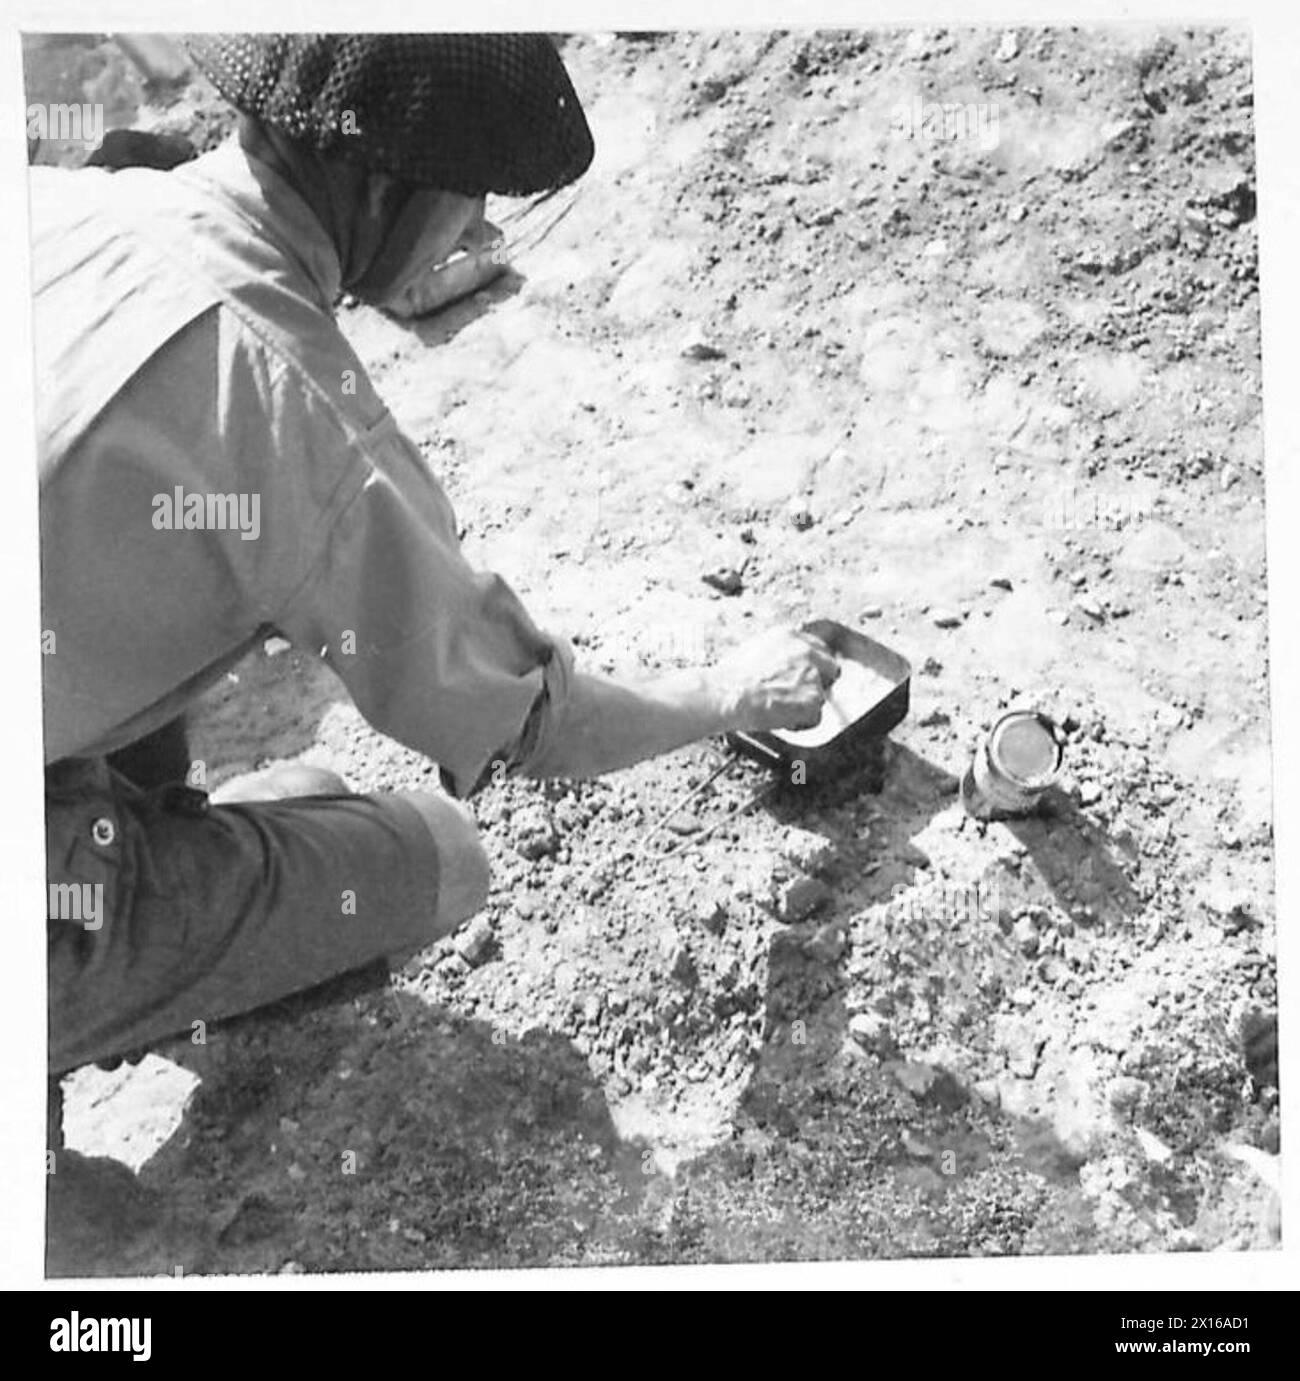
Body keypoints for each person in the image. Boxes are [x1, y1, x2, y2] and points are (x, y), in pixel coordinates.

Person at [37, 33, 838, 1113]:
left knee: (293, 771)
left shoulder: (62, 208)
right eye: (469, 204)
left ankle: (136, 872)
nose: (481, 234)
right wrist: (730, 692)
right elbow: (537, 728)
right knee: (440, 851)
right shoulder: (295, 412)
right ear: (387, 195)